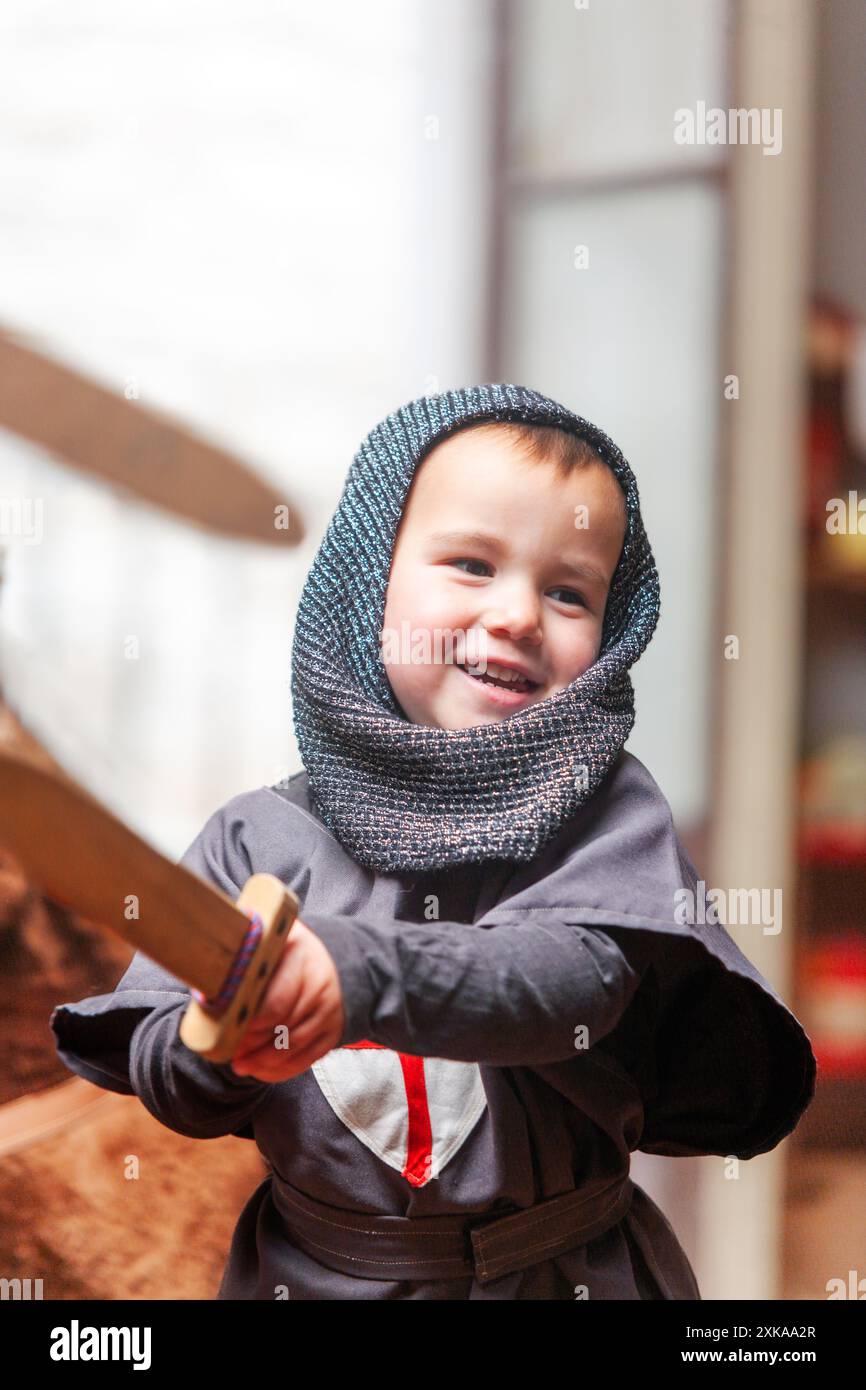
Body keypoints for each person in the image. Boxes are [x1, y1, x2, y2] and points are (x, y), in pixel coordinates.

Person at [51, 384, 816, 1300]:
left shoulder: (610, 815)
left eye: (569, 591)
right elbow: (166, 1073)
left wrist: (351, 972)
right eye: (470, 564)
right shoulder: (257, 837)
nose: (520, 615)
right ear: (368, 583)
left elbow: (565, 983)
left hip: (567, 1274)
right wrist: (220, 1043)